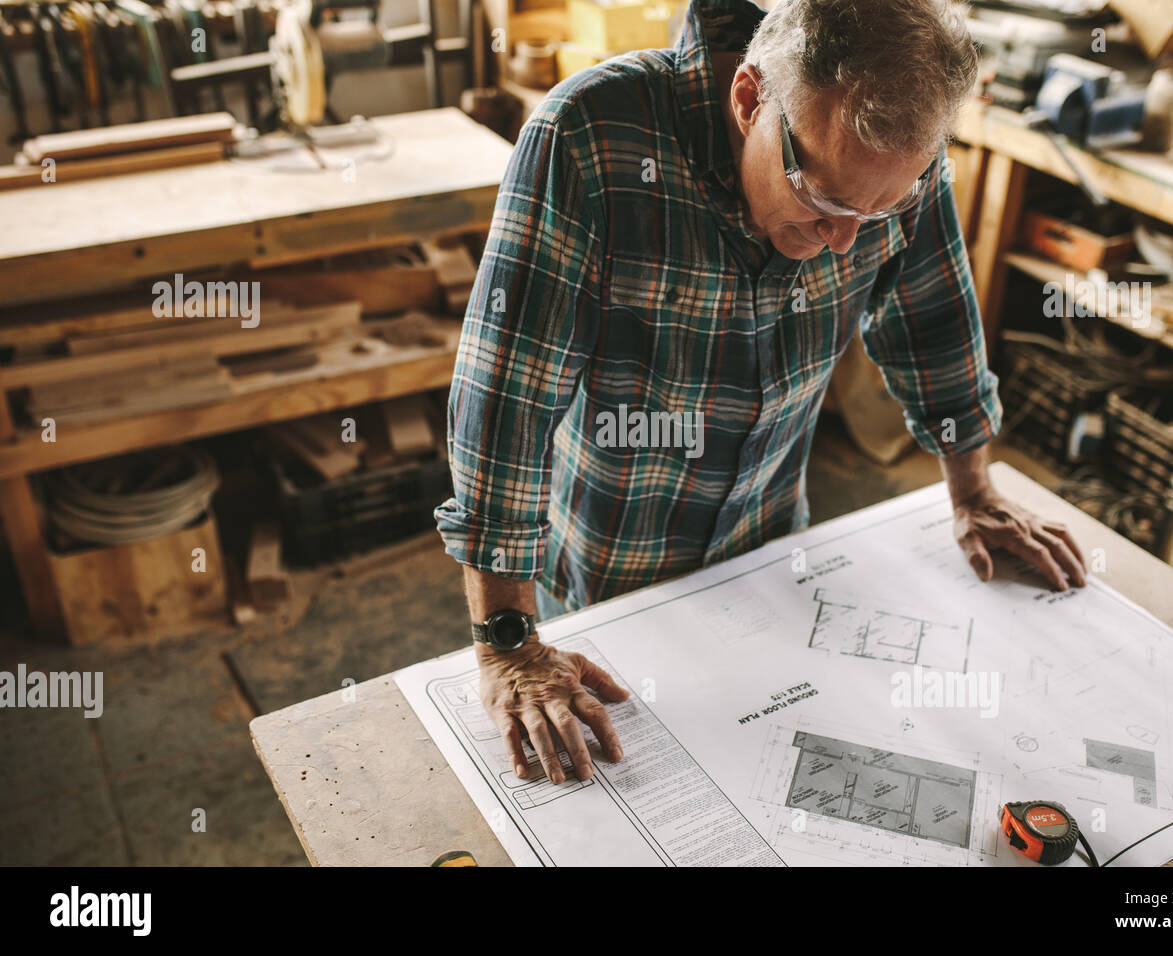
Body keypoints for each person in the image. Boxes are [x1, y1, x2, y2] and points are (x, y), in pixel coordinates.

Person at [434, 0, 1087, 788]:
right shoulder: (592, 135)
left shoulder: (892, 169)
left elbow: (935, 321)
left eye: (879, 210)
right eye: (824, 201)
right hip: (611, 568)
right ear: (750, 101)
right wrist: (507, 640)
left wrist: (974, 487)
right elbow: (507, 398)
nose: (847, 238)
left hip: (772, 551)